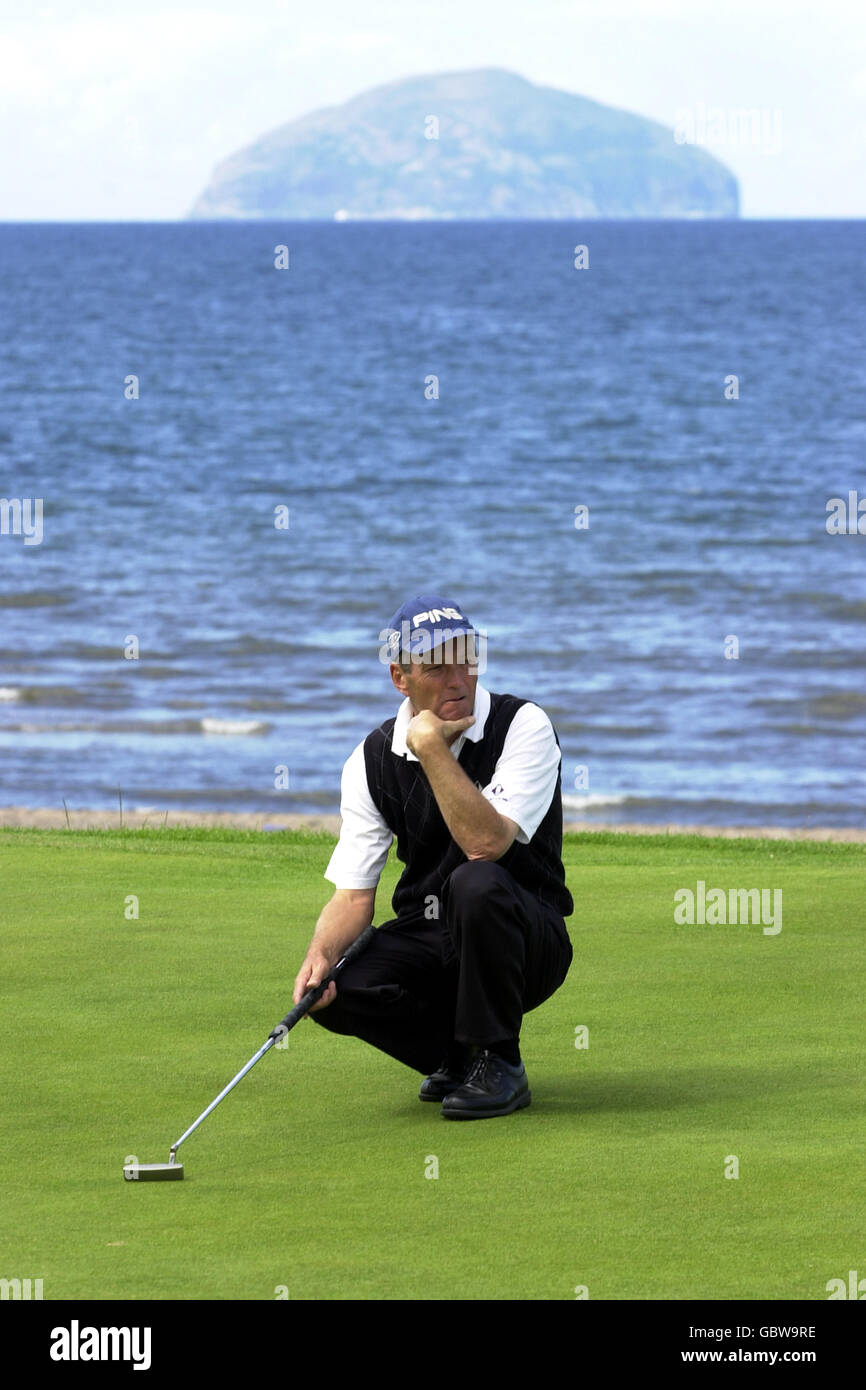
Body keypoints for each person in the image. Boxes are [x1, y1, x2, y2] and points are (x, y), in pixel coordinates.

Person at [292, 594, 574, 1119]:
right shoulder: (369, 761)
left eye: (466, 658)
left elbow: (486, 845)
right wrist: (320, 954)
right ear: (400, 677)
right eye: (436, 666)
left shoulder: (523, 726)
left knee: (476, 881)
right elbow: (354, 895)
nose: (458, 678)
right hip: (434, 939)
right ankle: (459, 1055)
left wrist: (432, 750)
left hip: (524, 937)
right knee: (340, 986)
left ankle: (500, 1063)